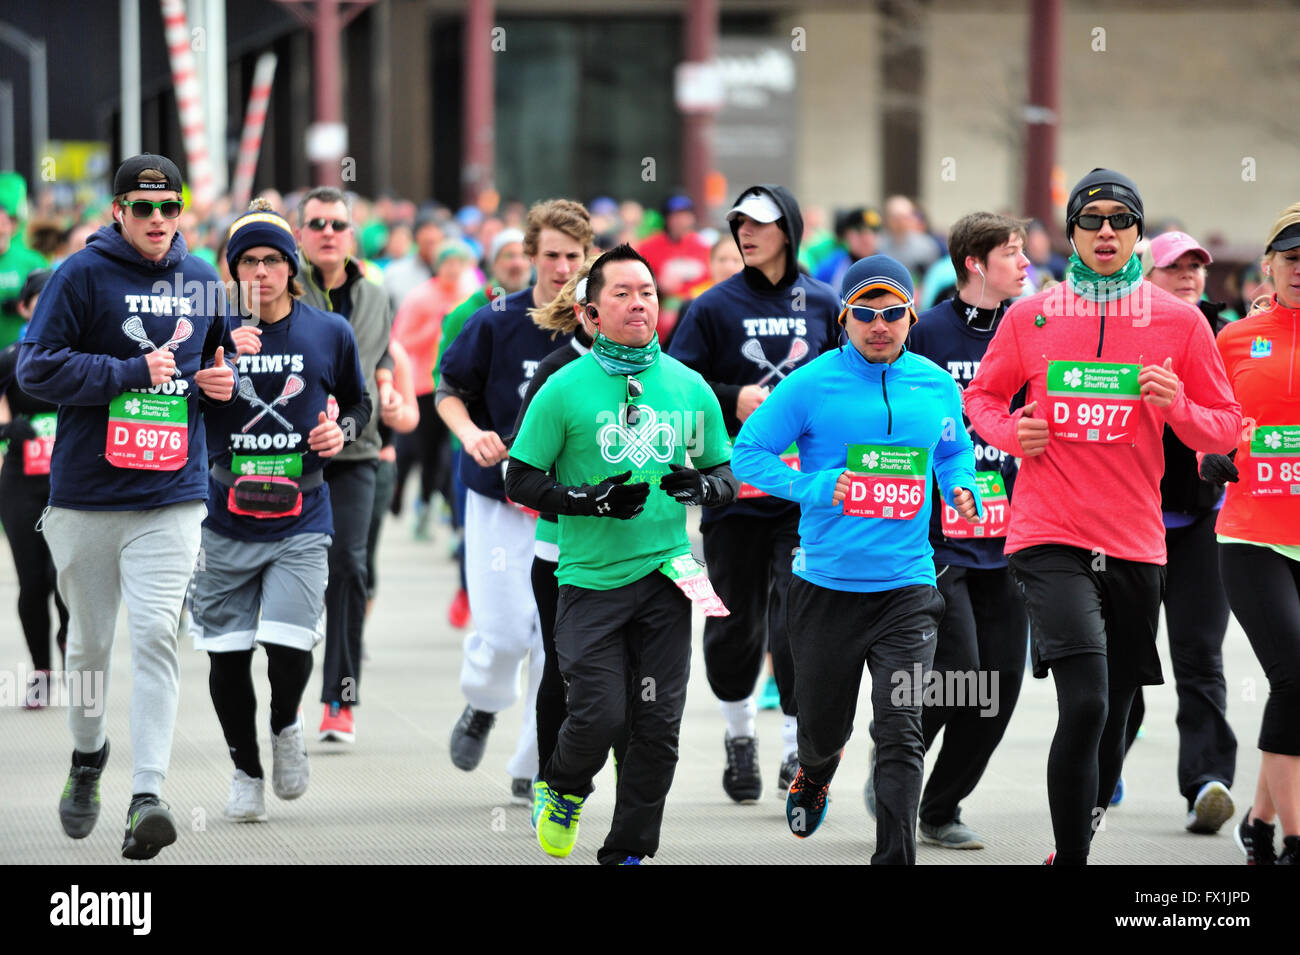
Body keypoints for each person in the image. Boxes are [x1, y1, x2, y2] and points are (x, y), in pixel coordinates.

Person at [963, 168, 1241, 864]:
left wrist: (1177, 406)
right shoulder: (1032, 316)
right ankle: (1072, 859)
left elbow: (1225, 427)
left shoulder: (1180, 321)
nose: (1108, 231)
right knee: (1084, 701)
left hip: (1135, 542)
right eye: (1093, 221)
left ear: (1138, 232)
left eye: (1121, 220)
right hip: (1047, 532)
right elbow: (982, 400)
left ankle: (1081, 821)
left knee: (1114, 714)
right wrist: (1008, 432)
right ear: (1073, 234)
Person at [18, 153, 238, 859]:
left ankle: (148, 794)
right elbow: (35, 366)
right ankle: (88, 760)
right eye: (141, 208)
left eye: (168, 208)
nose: (155, 220)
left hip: (171, 495)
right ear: (118, 210)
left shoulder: (203, 281)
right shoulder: (80, 275)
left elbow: (218, 369)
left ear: (183, 212)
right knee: (87, 646)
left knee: (155, 637)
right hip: (86, 495)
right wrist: (127, 371)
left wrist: (220, 384)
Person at [731, 254, 981, 864]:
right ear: (844, 317)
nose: (879, 324)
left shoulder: (935, 383)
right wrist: (814, 486)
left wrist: (961, 488)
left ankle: (893, 858)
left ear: (911, 315)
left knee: (901, 731)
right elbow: (748, 453)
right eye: (865, 313)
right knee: (824, 730)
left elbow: (951, 453)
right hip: (826, 587)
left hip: (908, 586)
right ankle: (815, 773)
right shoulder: (812, 384)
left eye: (892, 312)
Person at [506, 243, 736, 863]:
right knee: (601, 713)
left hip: (667, 577)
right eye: (622, 294)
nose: (639, 304)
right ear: (590, 313)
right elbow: (519, 479)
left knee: (657, 729)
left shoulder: (689, 387)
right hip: (587, 580)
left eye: (648, 293)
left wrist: (706, 488)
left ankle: (629, 851)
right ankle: (563, 786)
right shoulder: (563, 389)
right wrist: (588, 499)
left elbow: (724, 473)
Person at [194, 200, 369, 822]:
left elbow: (358, 403)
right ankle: (244, 770)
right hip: (223, 513)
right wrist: (198, 380)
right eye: (247, 262)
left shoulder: (328, 331)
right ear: (231, 270)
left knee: (290, 644)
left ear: (291, 268)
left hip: (303, 510)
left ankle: (287, 724)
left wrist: (341, 431)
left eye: (272, 260)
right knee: (229, 653)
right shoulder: (204, 331)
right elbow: (161, 396)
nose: (260, 272)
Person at [668, 184, 840, 801]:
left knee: (799, 620)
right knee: (732, 624)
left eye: (759, 223)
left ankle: (797, 745)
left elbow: (852, 381)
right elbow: (675, 385)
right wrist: (727, 396)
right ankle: (739, 734)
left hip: (804, 497)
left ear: (789, 230)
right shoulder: (711, 307)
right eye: (738, 222)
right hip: (733, 492)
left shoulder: (823, 303)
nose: (745, 231)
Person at [437, 199, 592, 799]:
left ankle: (533, 763)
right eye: (550, 255)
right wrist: (471, 433)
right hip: (497, 499)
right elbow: (449, 391)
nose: (560, 267)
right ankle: (481, 704)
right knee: (503, 632)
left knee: (553, 642)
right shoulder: (495, 320)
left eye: (572, 257)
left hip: (566, 506)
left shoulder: (597, 328)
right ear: (529, 256)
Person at [899, 212, 1031, 850]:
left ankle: (939, 806)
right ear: (976, 262)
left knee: (998, 690)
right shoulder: (922, 333)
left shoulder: (1030, 331)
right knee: (960, 671)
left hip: (1011, 541)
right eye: (1013, 253)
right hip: (937, 540)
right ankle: (898, 757)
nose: (1026, 263)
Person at [1117, 229, 1237, 833]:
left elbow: (1238, 420)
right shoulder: (1118, 330)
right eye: (1174, 267)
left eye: (1197, 266)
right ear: (1145, 275)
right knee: (1125, 659)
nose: (1189, 275)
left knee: (1199, 654)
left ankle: (1207, 782)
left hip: (1202, 526)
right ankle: (1105, 757)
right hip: (1128, 524)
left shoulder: (1224, 336)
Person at [1211, 204, 1300, 865]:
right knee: (1294, 672)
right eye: (1292, 257)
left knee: (1294, 684)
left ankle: (1261, 819)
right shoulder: (1235, 339)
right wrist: (1207, 456)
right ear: (1267, 265)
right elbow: (1208, 424)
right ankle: (1295, 839)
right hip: (1251, 533)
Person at [295, 186, 400, 744]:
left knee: (350, 567)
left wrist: (391, 405)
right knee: (287, 570)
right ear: (301, 234)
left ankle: (340, 697)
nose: (329, 233)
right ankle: (284, 696)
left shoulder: (377, 295)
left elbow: (385, 359)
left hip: (357, 449)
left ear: (353, 234)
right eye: (318, 224)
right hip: (286, 452)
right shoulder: (280, 289)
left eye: (338, 224)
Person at [433, 227, 530, 628]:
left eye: (522, 254)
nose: (516, 262)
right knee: (473, 532)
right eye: (507, 254)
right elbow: (445, 376)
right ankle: (469, 590)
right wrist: (469, 431)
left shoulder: (548, 312)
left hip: (530, 453)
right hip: (475, 446)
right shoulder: (469, 312)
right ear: (493, 262)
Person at [0, 269, 67, 707]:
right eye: (37, 300)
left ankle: (72, 653)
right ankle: (41, 673)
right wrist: (10, 427)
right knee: (32, 582)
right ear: (24, 307)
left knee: (67, 580)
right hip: (22, 485)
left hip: (72, 486)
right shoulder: (10, 358)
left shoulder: (81, 355)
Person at [390, 240, 474, 537]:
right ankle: (424, 506)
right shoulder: (420, 297)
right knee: (426, 455)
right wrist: (435, 327)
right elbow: (400, 340)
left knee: (449, 456)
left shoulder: (468, 297)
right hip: (425, 384)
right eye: (447, 262)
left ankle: (453, 520)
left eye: (458, 263)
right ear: (438, 265)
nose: (453, 269)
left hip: (456, 387)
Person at [814, 206, 883, 293]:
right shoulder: (830, 267)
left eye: (874, 231)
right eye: (860, 231)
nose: (867, 238)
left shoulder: (889, 268)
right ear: (847, 234)